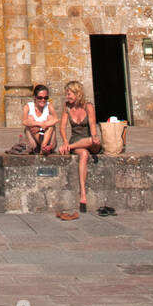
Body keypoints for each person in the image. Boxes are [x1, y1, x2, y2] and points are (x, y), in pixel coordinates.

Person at [58, 80, 101, 210]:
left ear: (77, 94)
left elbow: (93, 125)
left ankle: (70, 148)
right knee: (83, 154)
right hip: (76, 141)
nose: (67, 96)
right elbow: (62, 127)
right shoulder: (67, 107)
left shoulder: (88, 106)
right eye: (67, 94)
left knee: (90, 141)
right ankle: (82, 193)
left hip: (89, 139)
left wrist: (94, 137)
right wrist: (65, 141)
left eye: (69, 94)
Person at [10, 83, 58, 154]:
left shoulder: (49, 106)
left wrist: (41, 128)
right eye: (40, 97)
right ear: (35, 97)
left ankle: (43, 146)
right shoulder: (28, 106)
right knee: (30, 119)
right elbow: (24, 121)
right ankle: (42, 147)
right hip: (33, 142)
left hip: (49, 142)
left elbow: (56, 119)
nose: (43, 100)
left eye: (45, 98)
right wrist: (40, 124)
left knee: (50, 119)